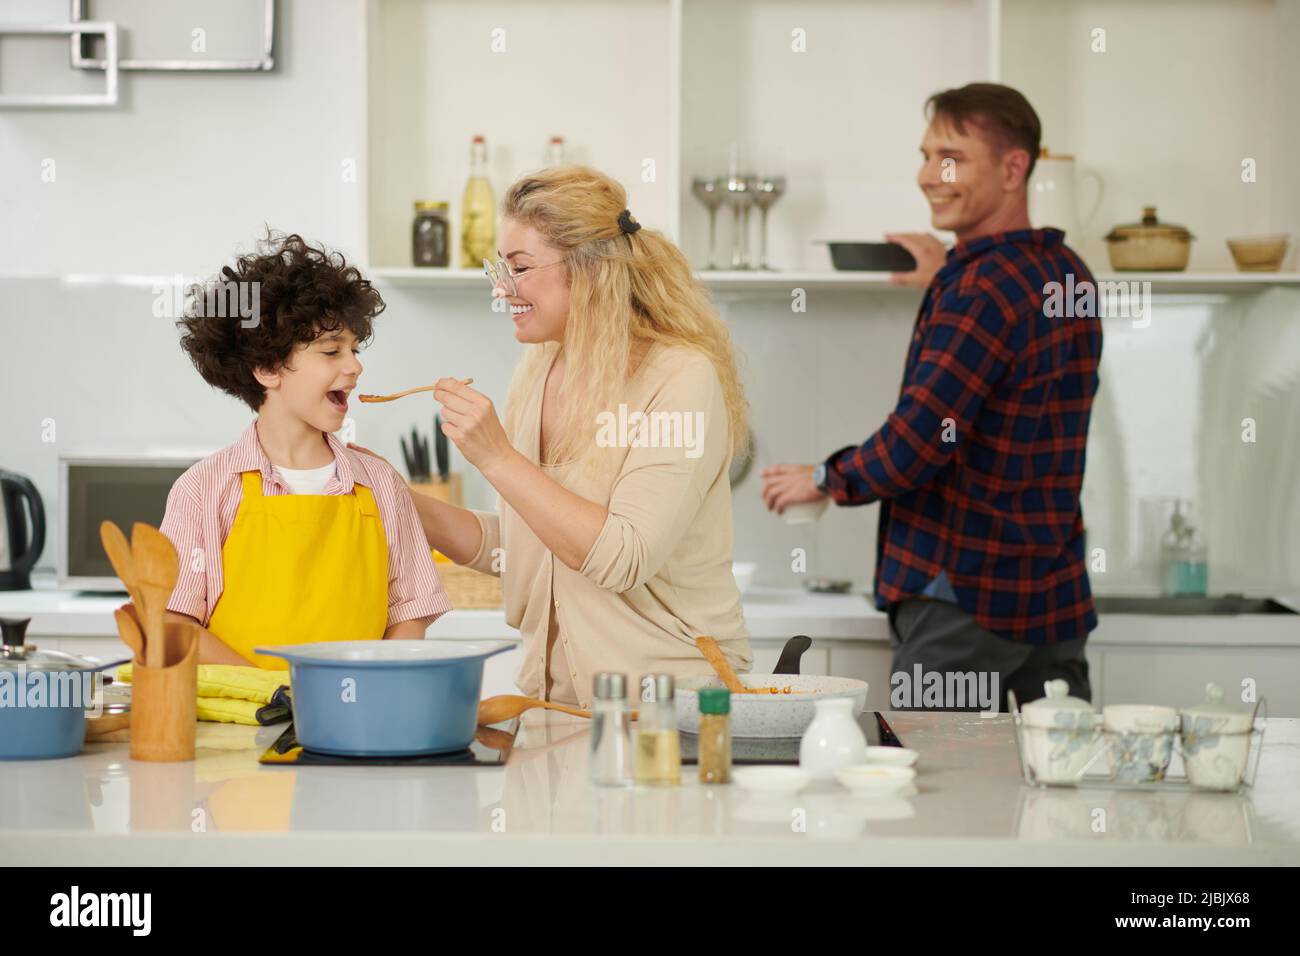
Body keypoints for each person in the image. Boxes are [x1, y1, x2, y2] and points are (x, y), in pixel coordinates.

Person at [354, 166, 752, 709]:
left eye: (518, 267)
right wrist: (394, 495)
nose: (501, 287)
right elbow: (519, 549)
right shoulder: (540, 366)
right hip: (552, 701)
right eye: (500, 267)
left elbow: (623, 556)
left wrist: (495, 456)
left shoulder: (680, 378)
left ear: (590, 270)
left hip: (667, 712)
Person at [761, 83, 1103, 710]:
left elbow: (919, 442)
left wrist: (823, 478)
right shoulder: (1065, 272)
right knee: (1055, 786)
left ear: (1013, 167)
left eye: (949, 158)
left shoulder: (979, 290)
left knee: (928, 792)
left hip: (964, 604)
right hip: (1052, 603)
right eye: (924, 156)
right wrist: (946, 273)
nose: (927, 177)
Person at [158, 233, 451, 669]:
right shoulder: (203, 491)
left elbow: (410, 611)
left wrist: (368, 687)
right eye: (331, 351)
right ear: (267, 368)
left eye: (354, 348)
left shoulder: (380, 484)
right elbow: (175, 623)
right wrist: (276, 697)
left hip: (353, 722)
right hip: (239, 725)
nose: (354, 366)